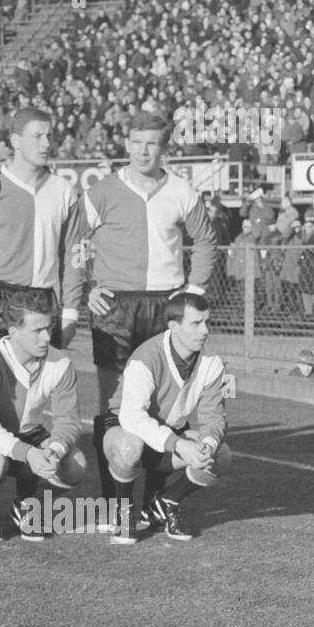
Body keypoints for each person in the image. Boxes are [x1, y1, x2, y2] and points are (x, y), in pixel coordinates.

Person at [83, 111, 216, 502]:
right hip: (115, 305)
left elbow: (206, 241)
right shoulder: (103, 191)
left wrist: (190, 291)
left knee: (166, 401)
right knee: (113, 400)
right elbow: (73, 241)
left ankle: (156, 498)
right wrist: (89, 286)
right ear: (126, 143)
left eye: (152, 143)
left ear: (164, 147)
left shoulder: (181, 190)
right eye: (136, 142)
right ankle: (115, 498)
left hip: (166, 302)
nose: (143, 151)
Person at [102, 290, 232, 543]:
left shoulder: (212, 363)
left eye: (207, 322)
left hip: (170, 433)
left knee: (222, 455)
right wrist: (180, 445)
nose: (205, 330)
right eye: (196, 323)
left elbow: (214, 418)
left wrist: (206, 446)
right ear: (173, 326)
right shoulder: (146, 356)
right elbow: (132, 417)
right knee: (129, 447)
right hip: (125, 429)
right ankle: (125, 513)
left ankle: (167, 501)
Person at [0, 289, 86, 542]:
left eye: (48, 327)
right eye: (37, 331)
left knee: (75, 464)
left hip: (30, 434)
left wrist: (55, 449)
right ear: (13, 333)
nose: (47, 337)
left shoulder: (60, 364)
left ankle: (29, 504)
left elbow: (68, 421)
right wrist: (30, 454)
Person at [0, 106, 84, 352]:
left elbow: (75, 254)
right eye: (37, 136)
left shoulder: (64, 191)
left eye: (49, 136)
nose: (46, 144)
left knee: (41, 387)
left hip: (43, 299)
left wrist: (72, 313)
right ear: (16, 141)